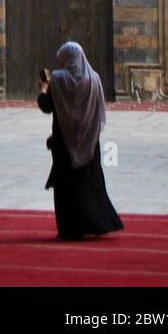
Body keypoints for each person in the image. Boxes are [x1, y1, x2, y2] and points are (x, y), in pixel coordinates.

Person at [38, 41, 124, 241]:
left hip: (63, 141)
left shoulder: (58, 80)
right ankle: (95, 223)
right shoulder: (94, 79)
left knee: (66, 186)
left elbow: (47, 106)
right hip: (89, 141)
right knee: (88, 183)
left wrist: (43, 89)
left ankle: (69, 229)